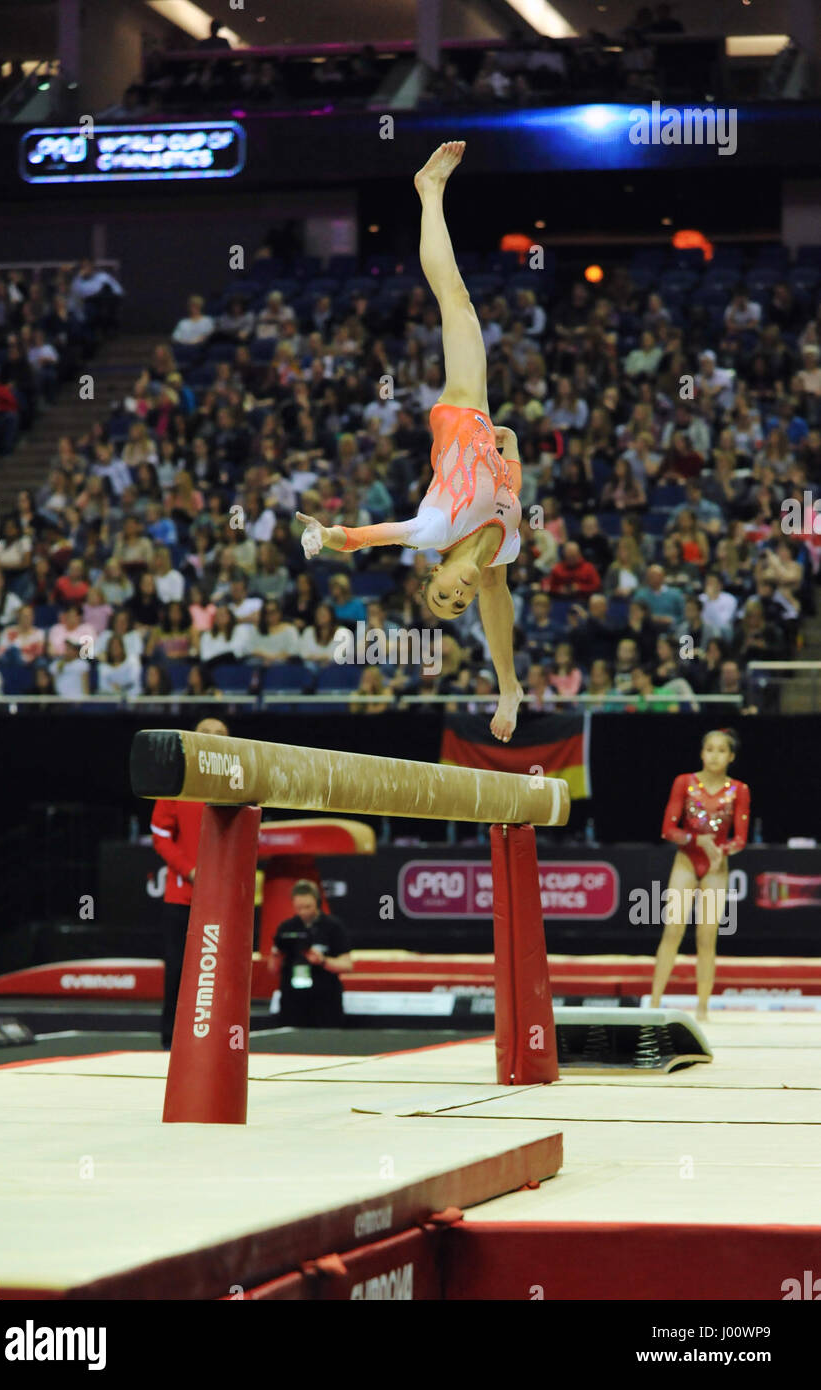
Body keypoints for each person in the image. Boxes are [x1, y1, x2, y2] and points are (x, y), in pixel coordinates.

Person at [296, 143, 524, 744]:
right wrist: (514, 446)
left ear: (439, 570)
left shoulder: (433, 530)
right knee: (460, 302)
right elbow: (511, 490)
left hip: (458, 411)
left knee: (456, 299)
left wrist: (325, 535)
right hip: (482, 419)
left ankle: (427, 190)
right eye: (457, 606)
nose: (457, 596)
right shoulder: (501, 556)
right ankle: (428, 192)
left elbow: (367, 537)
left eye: (443, 594)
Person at [650, 729, 750, 1021]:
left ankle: (703, 1007)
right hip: (687, 861)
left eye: (721, 750)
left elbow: (741, 838)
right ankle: (655, 1002)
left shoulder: (739, 790)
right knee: (673, 931)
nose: (714, 755)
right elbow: (668, 829)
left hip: (716, 866)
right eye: (709, 749)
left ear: (731, 757)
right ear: (701, 753)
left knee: (707, 937)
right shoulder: (684, 783)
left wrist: (724, 850)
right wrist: (698, 841)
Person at [150, 716, 229, 1049]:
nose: (212, 738)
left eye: (219, 734)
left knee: (221, 970)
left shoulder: (235, 780)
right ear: (192, 739)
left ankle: (221, 1035)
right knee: (180, 968)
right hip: (184, 894)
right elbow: (160, 834)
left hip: (223, 894)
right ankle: (171, 1038)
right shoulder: (177, 782)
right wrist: (189, 869)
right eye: (205, 733)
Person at [268, 879, 352, 1028]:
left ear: (317, 902)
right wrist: (276, 954)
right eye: (299, 907)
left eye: (308, 907)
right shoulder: (286, 927)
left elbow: (347, 965)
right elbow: (273, 969)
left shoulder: (333, 927)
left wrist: (323, 960)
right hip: (293, 1001)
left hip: (325, 1001)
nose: (303, 912)